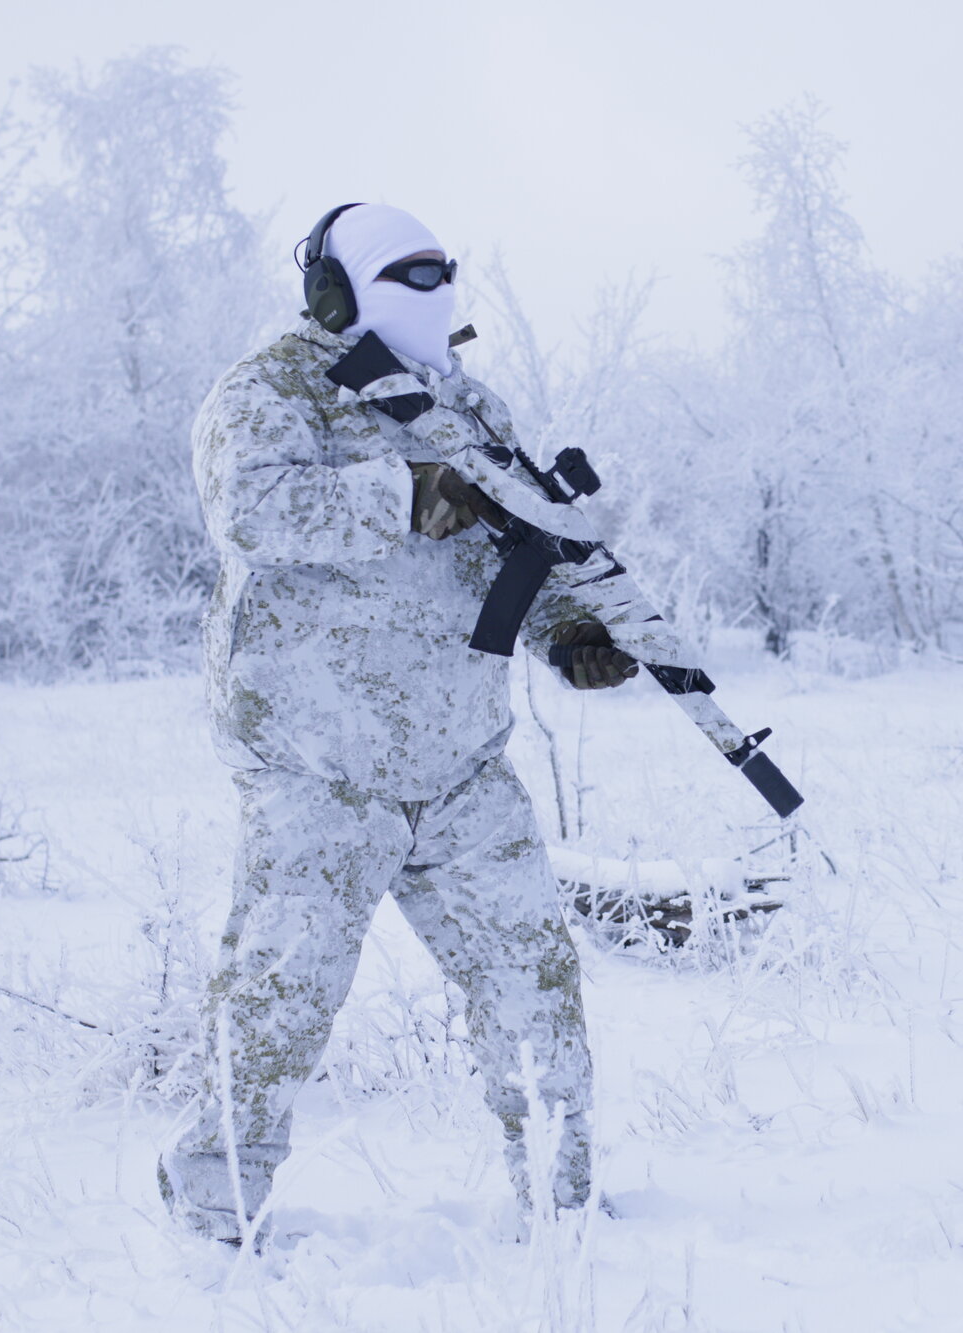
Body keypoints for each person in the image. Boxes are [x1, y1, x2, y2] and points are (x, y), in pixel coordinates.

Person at [158, 203, 636, 1245]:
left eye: (440, 272)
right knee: (279, 1005)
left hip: (460, 763)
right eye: (401, 275)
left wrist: (570, 628)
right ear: (332, 290)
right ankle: (211, 1217)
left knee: (537, 984)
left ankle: (565, 1203)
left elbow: (523, 547)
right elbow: (248, 507)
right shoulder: (275, 390)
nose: (431, 292)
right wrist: (400, 492)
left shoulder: (469, 406)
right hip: (316, 765)